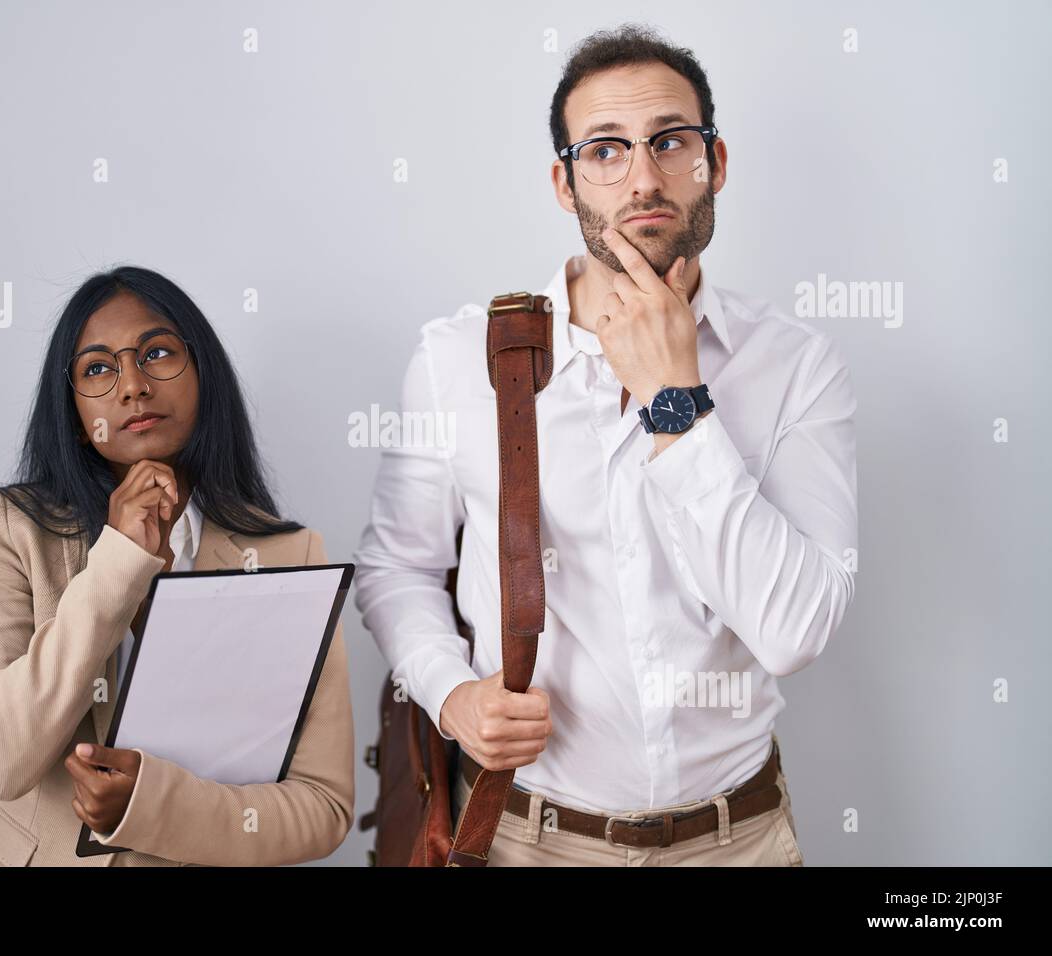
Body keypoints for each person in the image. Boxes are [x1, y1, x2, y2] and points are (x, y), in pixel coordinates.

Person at [354, 24, 857, 866]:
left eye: (670, 142)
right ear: (565, 181)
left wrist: (676, 403)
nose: (644, 178)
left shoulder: (797, 367)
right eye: (606, 151)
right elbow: (395, 566)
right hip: (527, 838)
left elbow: (796, 630)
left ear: (716, 164)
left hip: (741, 840)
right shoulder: (458, 359)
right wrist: (451, 695)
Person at [0, 265, 353, 866]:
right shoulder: (12, 527)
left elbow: (322, 807)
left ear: (203, 376)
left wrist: (150, 804)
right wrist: (119, 562)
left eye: (157, 353)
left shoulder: (290, 555)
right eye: (98, 368)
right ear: (79, 422)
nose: (132, 385)